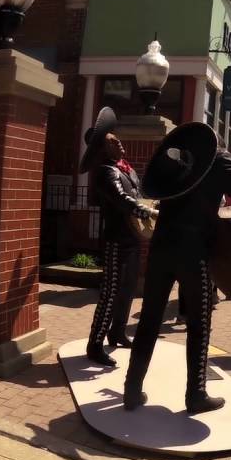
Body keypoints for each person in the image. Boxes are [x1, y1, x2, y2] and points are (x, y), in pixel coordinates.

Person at [123, 122, 231, 414]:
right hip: (194, 252)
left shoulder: (180, 163)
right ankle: (196, 395)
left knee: (149, 319)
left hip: (161, 247)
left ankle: (131, 389)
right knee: (199, 324)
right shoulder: (220, 160)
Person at [80, 107, 156, 367]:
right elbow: (122, 200)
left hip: (132, 239)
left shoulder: (126, 169)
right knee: (110, 293)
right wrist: (148, 211)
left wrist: (150, 204)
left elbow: (138, 193)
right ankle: (95, 344)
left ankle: (118, 332)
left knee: (127, 290)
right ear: (103, 149)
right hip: (116, 241)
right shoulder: (105, 172)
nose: (120, 142)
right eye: (114, 141)